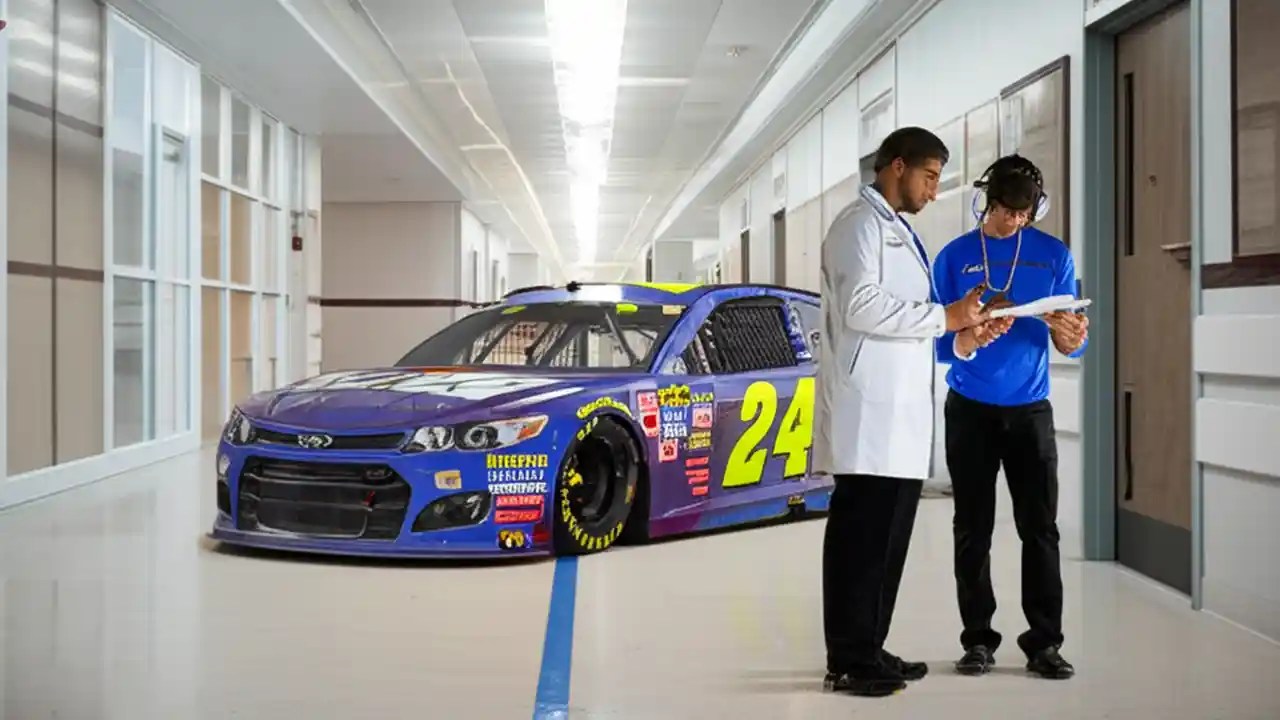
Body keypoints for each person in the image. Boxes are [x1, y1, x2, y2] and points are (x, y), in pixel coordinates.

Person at [814, 127, 1003, 697]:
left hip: (896, 419)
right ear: (896, 166)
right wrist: (944, 317)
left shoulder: (896, 230)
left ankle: (870, 645)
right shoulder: (859, 225)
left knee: (887, 541)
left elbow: (916, 322)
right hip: (868, 415)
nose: (935, 190)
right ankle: (848, 658)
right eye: (930, 176)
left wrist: (962, 332)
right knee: (861, 541)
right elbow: (861, 305)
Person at [932, 154, 1089, 680]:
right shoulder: (954, 257)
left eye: (1023, 214)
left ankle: (1044, 643)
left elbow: (1074, 337)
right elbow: (936, 344)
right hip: (969, 408)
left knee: (1039, 529)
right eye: (1004, 211)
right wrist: (968, 338)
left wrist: (1072, 340)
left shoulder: (1053, 255)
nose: (1013, 222)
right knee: (972, 529)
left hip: (1030, 411)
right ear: (986, 201)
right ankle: (978, 639)